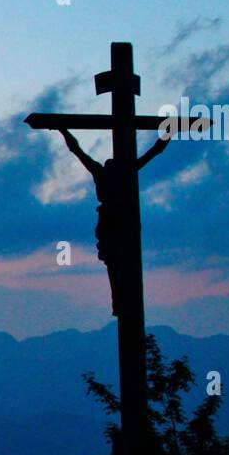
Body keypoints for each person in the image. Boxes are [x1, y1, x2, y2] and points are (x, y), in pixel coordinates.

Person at [55, 127, 171, 317]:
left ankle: (120, 301)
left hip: (120, 222)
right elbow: (155, 151)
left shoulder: (112, 173)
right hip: (114, 222)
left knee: (119, 265)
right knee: (116, 265)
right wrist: (63, 130)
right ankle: (119, 301)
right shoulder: (117, 173)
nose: (109, 163)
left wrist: (63, 130)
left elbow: (155, 151)